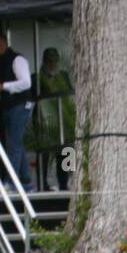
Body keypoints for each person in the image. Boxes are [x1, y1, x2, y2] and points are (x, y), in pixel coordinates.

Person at [0, 31, 35, 192]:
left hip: (21, 104)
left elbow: (26, 83)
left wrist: (4, 87)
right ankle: (26, 181)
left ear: (4, 43)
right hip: (9, 106)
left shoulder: (17, 59)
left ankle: (11, 182)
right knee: (16, 143)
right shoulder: (0, 63)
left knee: (13, 144)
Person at [32, 48, 75, 191]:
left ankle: (66, 182)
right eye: (50, 62)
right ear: (45, 62)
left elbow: (68, 94)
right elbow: (35, 97)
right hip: (46, 120)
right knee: (45, 152)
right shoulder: (37, 78)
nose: (53, 65)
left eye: (55, 62)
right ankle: (42, 184)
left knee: (66, 151)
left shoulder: (63, 75)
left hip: (63, 120)